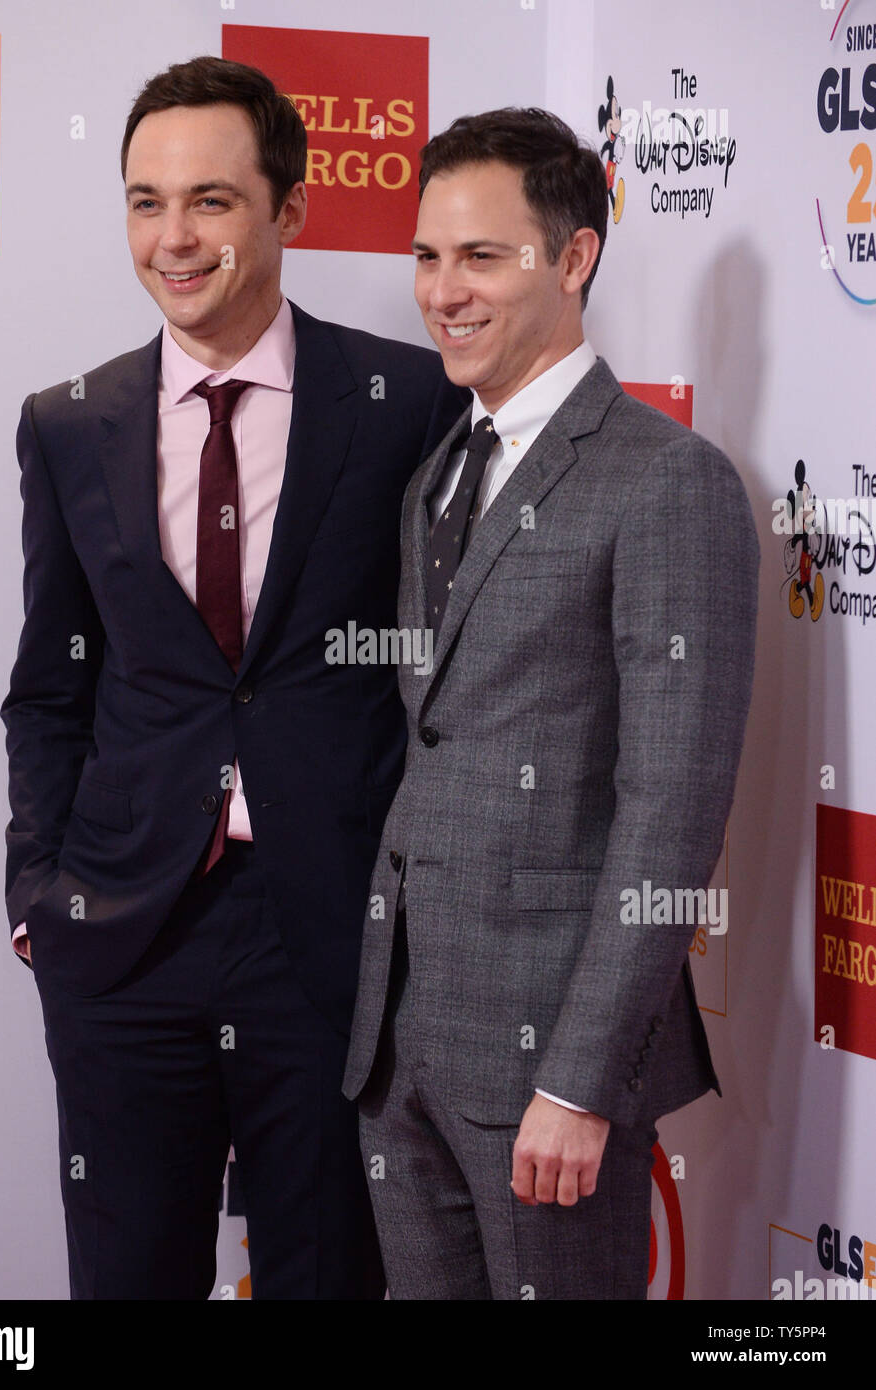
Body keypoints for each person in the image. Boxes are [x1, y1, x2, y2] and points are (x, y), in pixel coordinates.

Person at [0, 55, 466, 1300]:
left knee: (327, 1273)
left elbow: (452, 676)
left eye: (210, 199)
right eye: (146, 202)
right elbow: (49, 687)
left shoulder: (406, 396)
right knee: (126, 1276)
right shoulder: (67, 420)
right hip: (123, 926)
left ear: (292, 211)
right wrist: (38, 887)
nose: (174, 236)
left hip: (327, 934)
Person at [343, 107, 759, 1300]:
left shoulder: (667, 481)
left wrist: (579, 1080)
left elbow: (674, 810)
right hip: (401, 1044)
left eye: (483, 256)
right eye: (427, 257)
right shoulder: (439, 475)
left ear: (573, 258)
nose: (442, 293)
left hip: (548, 1067)